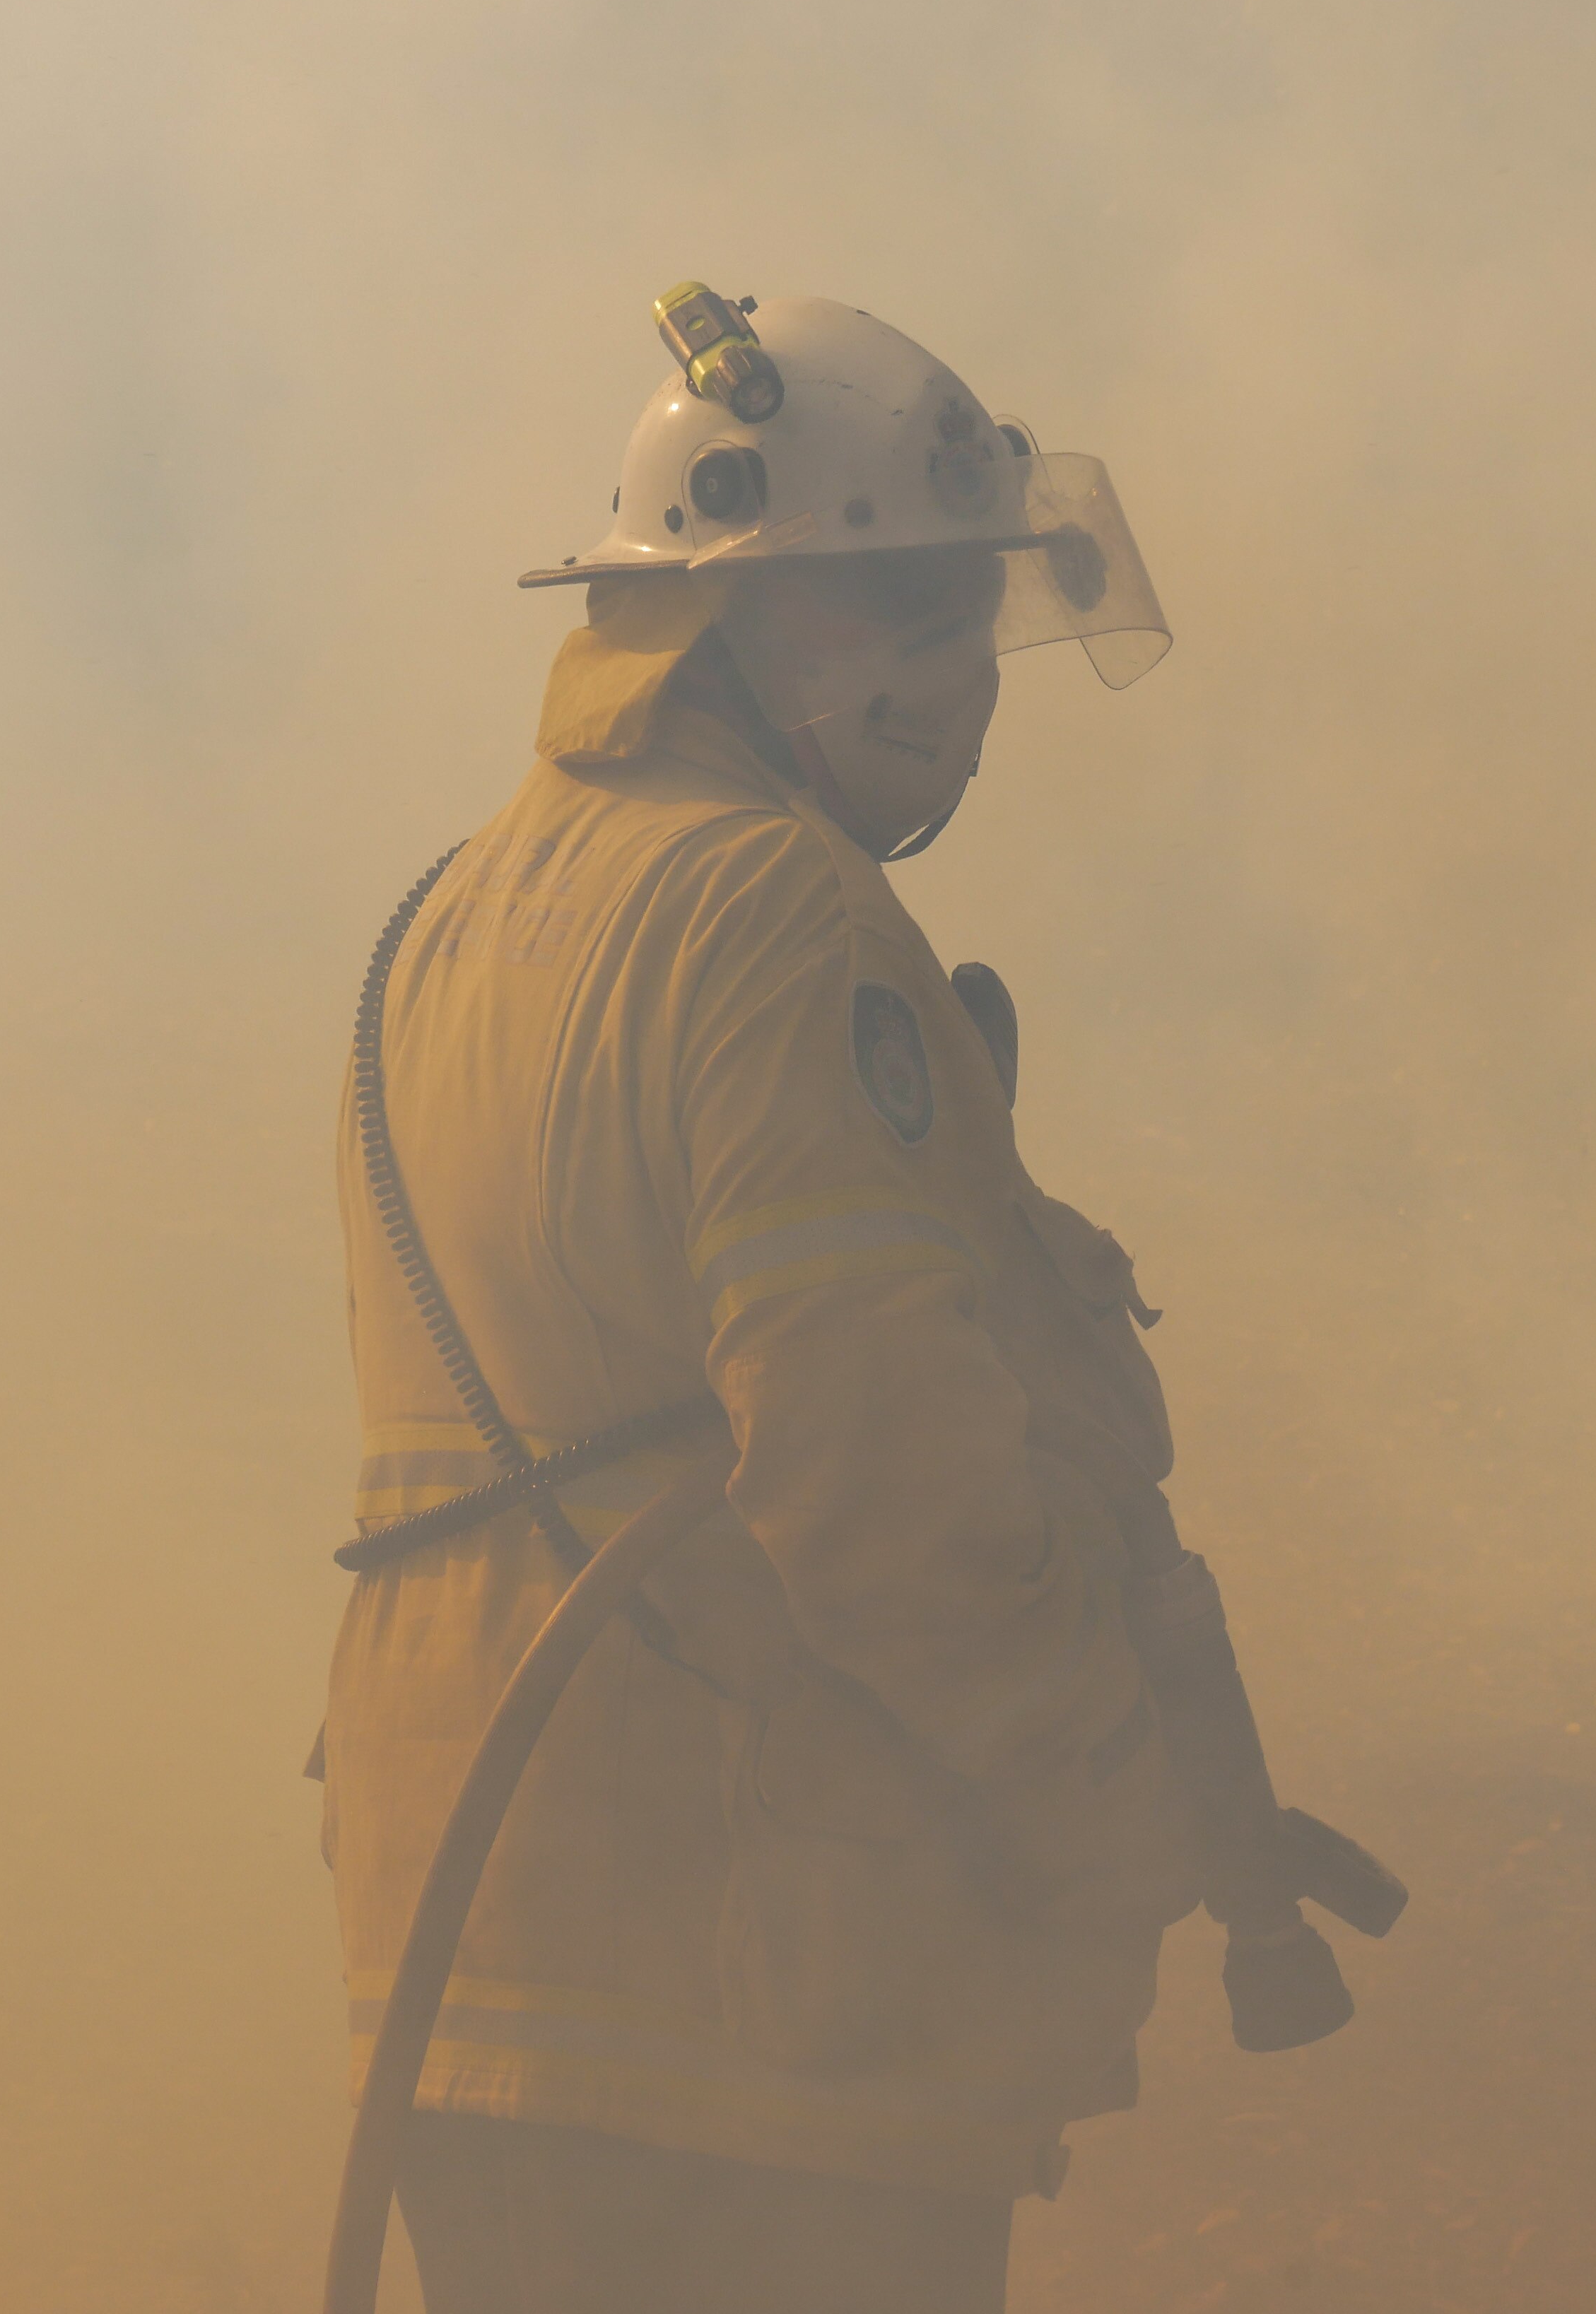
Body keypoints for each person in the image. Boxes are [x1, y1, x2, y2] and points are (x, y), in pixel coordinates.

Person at [316, 290, 1204, 2314]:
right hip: (744, 1992)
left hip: (476, 1956)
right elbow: (876, 1462)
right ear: (726, 621)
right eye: (891, 611)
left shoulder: (455, 913)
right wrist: (1096, 1802)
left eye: (962, 613)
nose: (948, 676)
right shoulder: (779, 910)